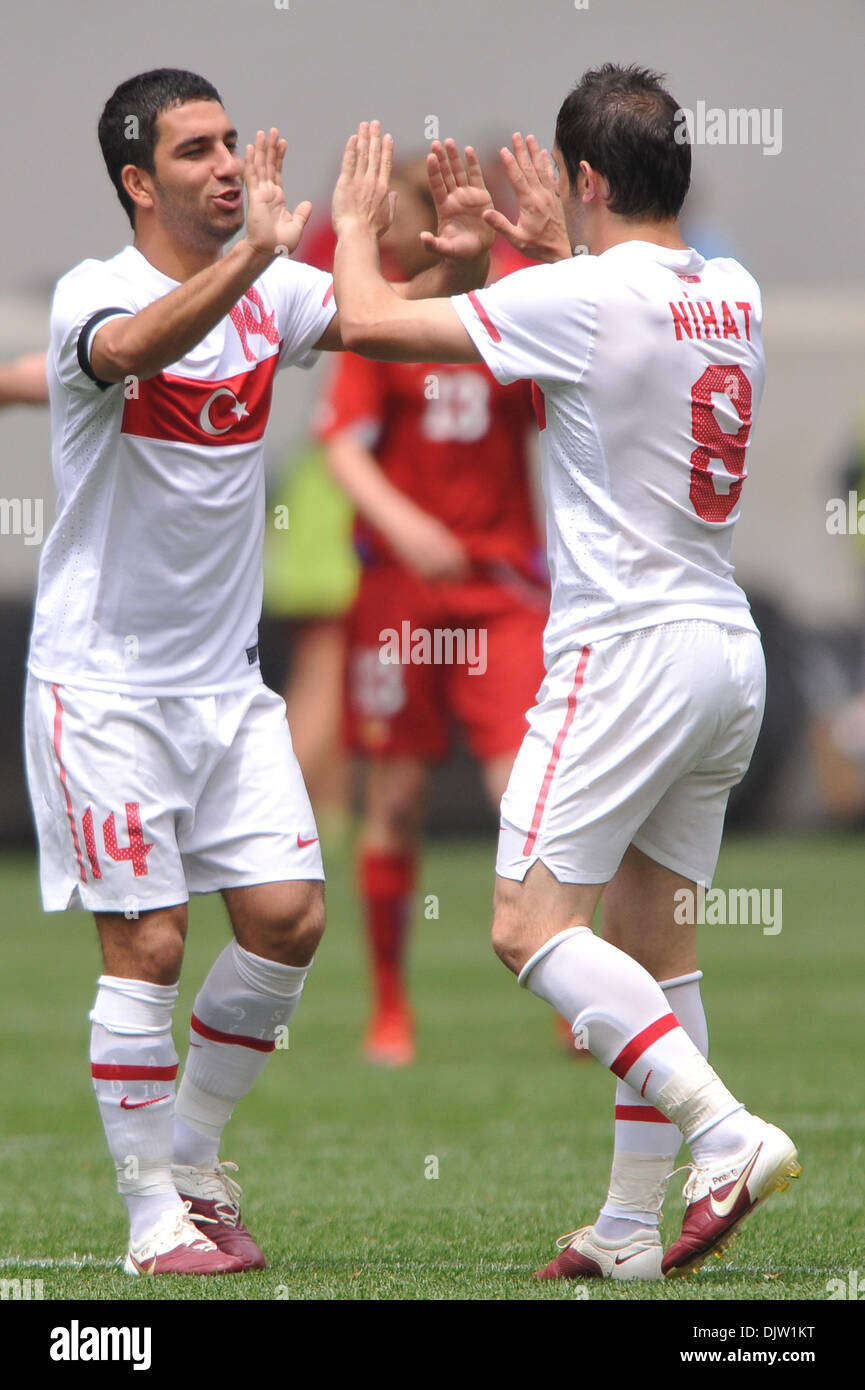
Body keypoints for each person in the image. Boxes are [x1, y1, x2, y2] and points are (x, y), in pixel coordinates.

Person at [329, 66, 800, 1281]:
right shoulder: (734, 289)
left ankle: (723, 1130)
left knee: (527, 926)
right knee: (659, 953)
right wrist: (538, 247)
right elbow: (601, 352)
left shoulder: (583, 295)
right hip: (723, 651)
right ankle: (631, 1230)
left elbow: (372, 325)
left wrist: (348, 224)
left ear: (585, 177)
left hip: (624, 650)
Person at [24, 66, 492, 1276]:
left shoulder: (268, 289)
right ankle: (148, 1230)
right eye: (194, 152)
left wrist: (457, 259)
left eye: (231, 143)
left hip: (225, 690)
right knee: (151, 950)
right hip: (104, 688)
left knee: (288, 921)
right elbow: (134, 349)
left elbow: (374, 316)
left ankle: (191, 1155)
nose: (226, 166)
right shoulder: (102, 293)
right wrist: (265, 259)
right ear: (138, 181)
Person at [318, 156, 547, 1064]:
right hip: (400, 597)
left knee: (523, 788)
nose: (408, 240)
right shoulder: (383, 315)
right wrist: (404, 524)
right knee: (399, 796)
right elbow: (342, 445)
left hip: (499, 591)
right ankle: (388, 1005)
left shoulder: (519, 301)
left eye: (424, 223)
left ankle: (570, 986)